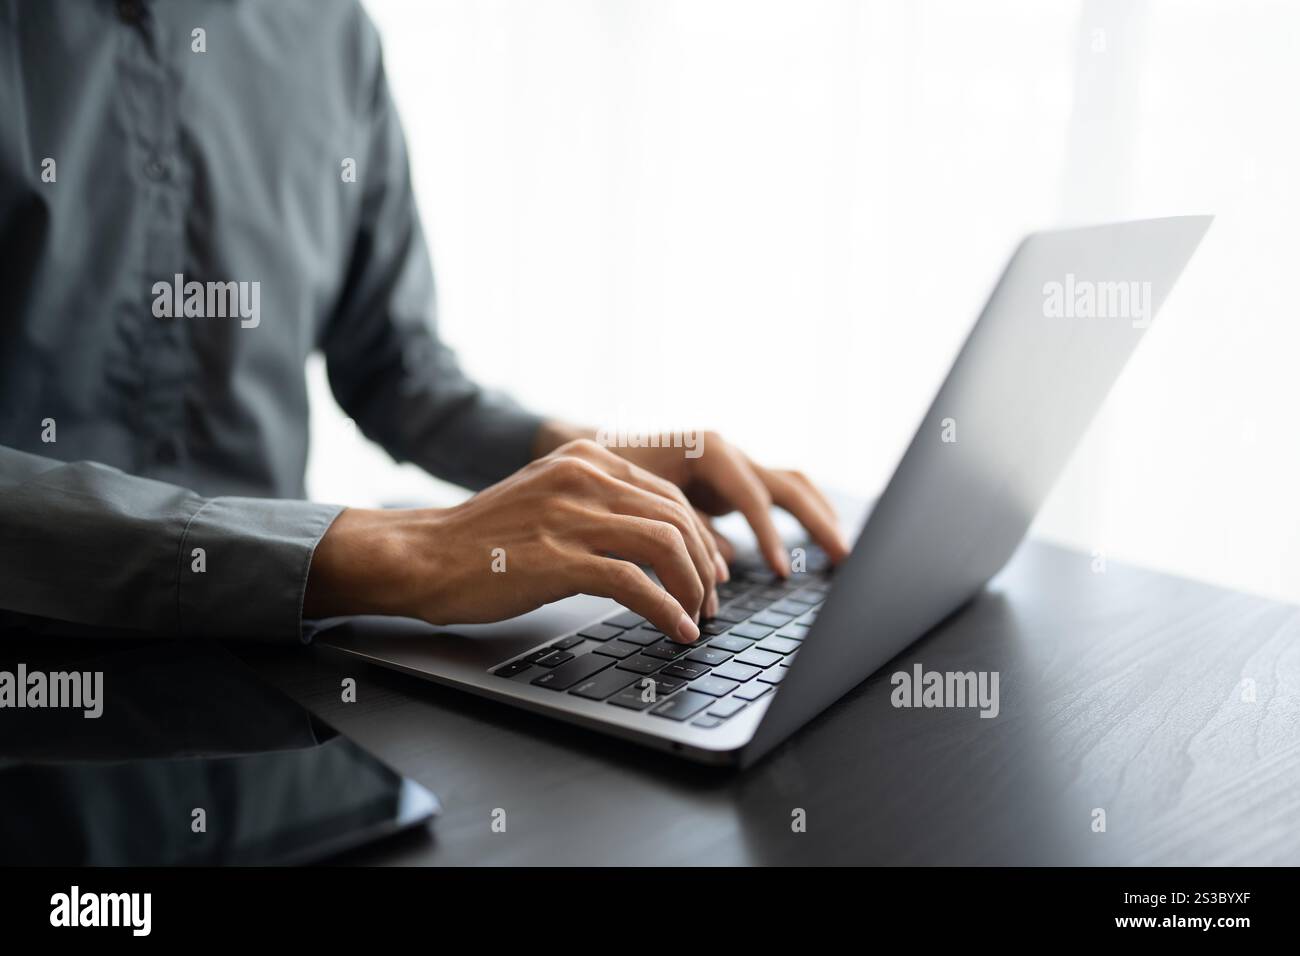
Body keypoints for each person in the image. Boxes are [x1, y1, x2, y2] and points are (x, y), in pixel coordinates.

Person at [0, 0, 847, 648]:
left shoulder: (331, 32)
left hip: (276, 681)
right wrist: (403, 552)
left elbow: (393, 367)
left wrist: (591, 457)